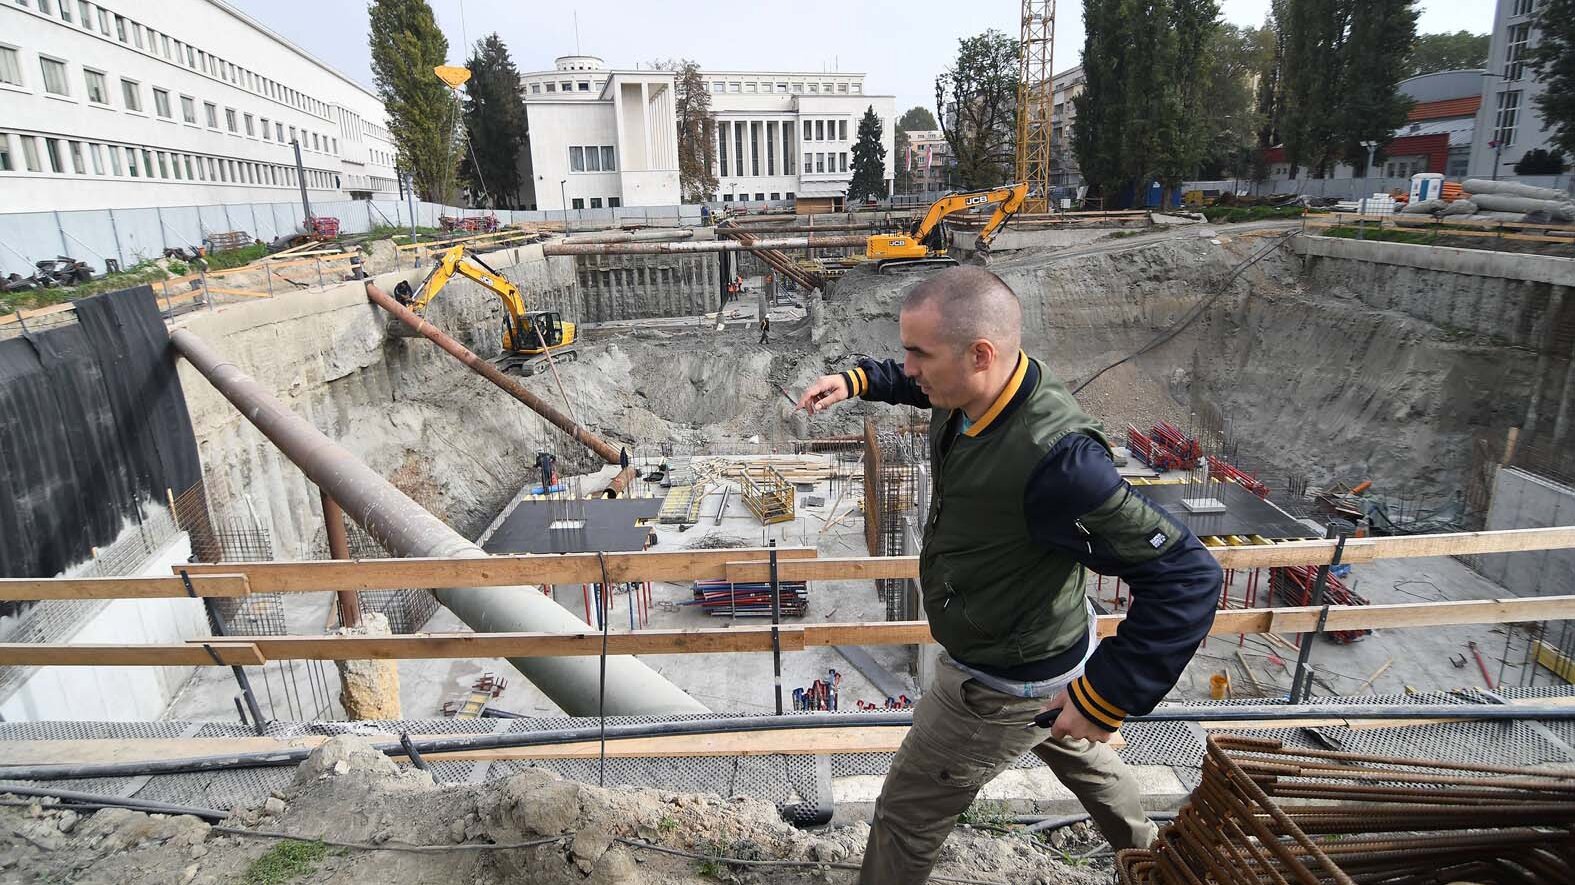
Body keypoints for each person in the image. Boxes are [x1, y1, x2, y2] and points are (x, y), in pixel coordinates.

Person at [795, 266, 1221, 884]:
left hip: (996, 680)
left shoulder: (1059, 464)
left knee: (905, 819)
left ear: (980, 354)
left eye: (918, 353)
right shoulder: (982, 389)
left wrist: (1108, 696)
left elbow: (1188, 576)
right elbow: (921, 384)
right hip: (1052, 646)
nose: (909, 368)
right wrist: (859, 381)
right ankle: (1156, 862)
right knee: (1082, 752)